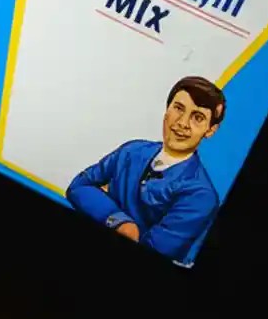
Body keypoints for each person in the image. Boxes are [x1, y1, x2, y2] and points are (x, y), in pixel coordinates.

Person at [65, 76, 225, 266]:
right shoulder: (132, 151)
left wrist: (100, 200)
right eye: (178, 108)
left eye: (197, 117)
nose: (182, 123)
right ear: (167, 109)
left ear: (210, 130)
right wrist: (122, 223)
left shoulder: (201, 195)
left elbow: (150, 252)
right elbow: (77, 187)